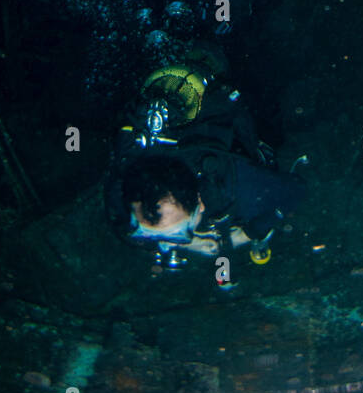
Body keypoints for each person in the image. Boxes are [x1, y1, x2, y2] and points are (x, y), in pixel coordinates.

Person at [104, 45, 306, 268]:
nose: (164, 245)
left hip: (220, 90)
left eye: (178, 235)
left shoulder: (234, 184)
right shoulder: (123, 192)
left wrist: (248, 234)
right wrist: (188, 243)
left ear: (200, 204)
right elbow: (123, 229)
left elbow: (294, 190)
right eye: (147, 233)